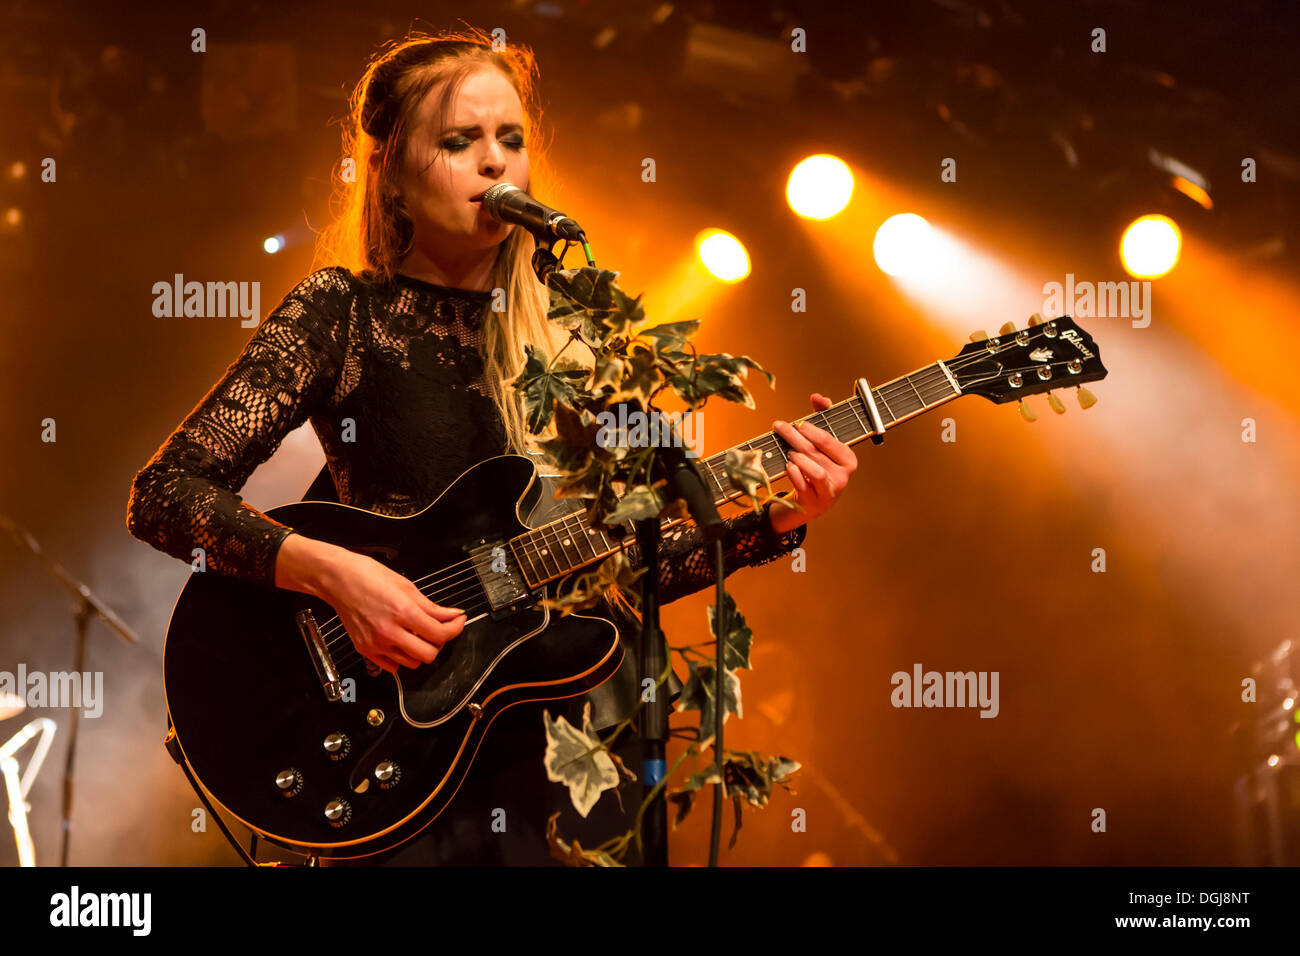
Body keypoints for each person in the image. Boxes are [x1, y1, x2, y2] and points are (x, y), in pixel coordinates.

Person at [125, 28, 858, 866]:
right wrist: (333, 572)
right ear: (394, 175)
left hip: (553, 756)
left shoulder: (579, 337)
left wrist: (775, 520)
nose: (495, 163)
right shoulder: (346, 314)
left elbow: (622, 568)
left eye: (511, 139)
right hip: (392, 740)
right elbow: (166, 493)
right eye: (459, 141)